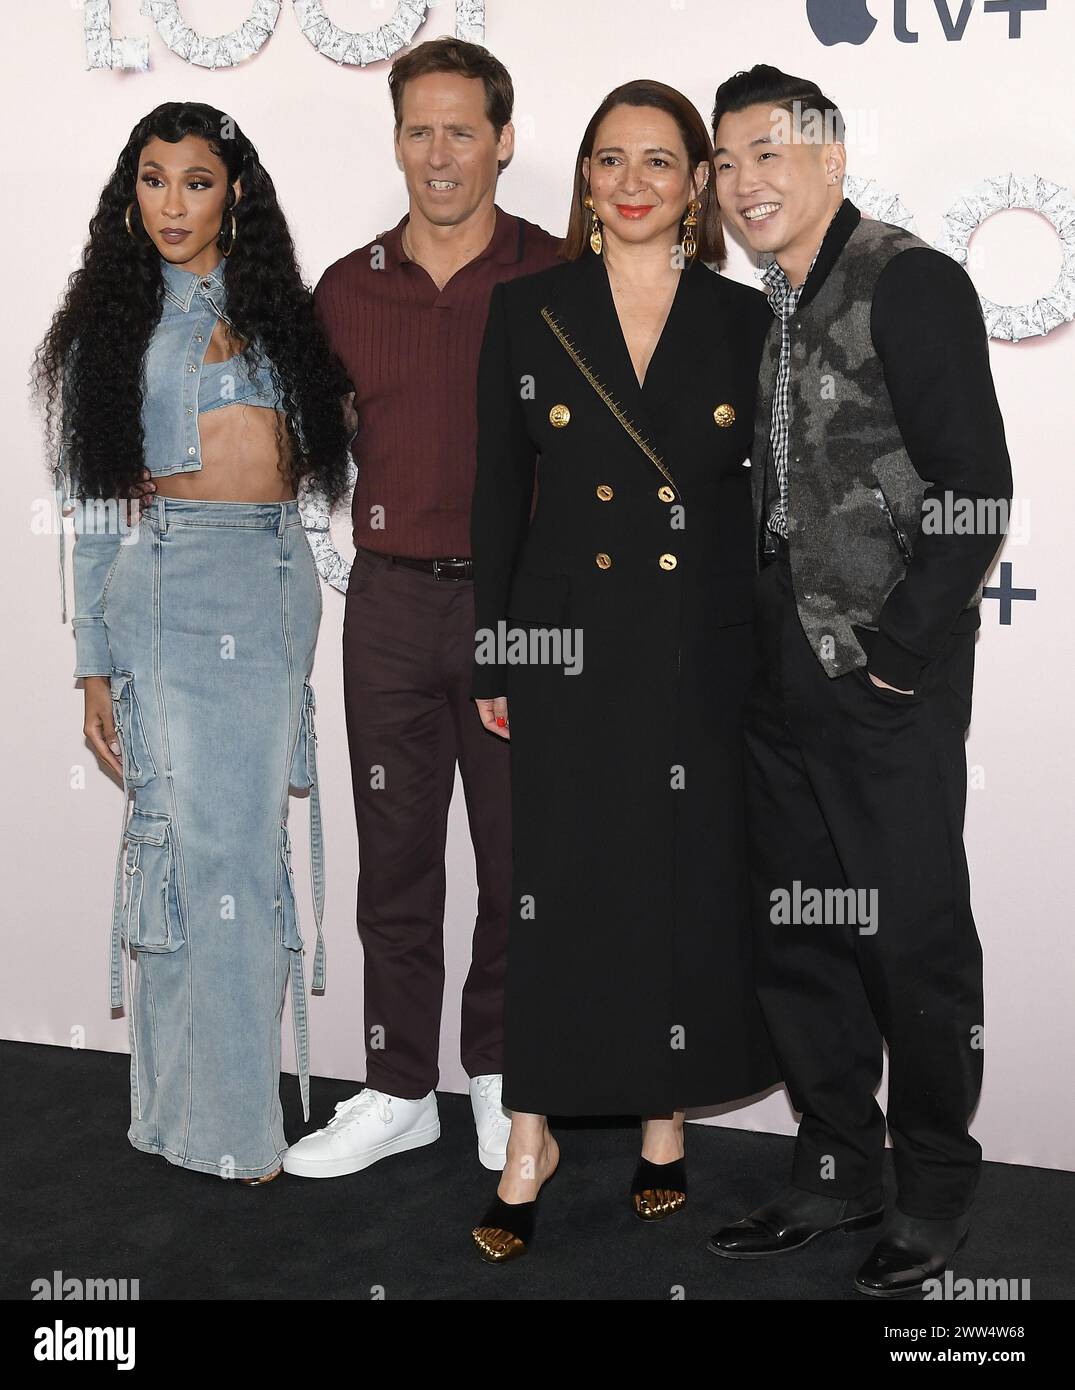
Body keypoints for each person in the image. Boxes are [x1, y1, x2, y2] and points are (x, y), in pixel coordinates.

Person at [706, 65, 1013, 1296]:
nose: (742, 182)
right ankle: (837, 1167)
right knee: (801, 934)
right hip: (774, 677)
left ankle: (935, 1183)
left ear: (830, 158)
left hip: (880, 676)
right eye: (724, 162)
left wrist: (898, 655)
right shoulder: (764, 304)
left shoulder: (909, 279)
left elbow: (974, 486)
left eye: (766, 153)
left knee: (910, 940)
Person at [467, 79, 781, 1262]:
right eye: (611, 160)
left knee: (672, 881)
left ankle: (662, 1126)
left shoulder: (742, 320)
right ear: (586, 180)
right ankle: (526, 1132)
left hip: (696, 643)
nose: (635, 182)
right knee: (557, 880)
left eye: (660, 160)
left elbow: (762, 507)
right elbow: (500, 490)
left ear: (697, 182)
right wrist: (496, 643)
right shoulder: (527, 309)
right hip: (567, 637)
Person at [35, 101, 355, 1183]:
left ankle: (197, 1112)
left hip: (269, 588)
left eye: (197, 180)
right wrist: (90, 664)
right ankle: (217, 1125)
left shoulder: (284, 314)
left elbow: (324, 452)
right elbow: (89, 507)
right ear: (130, 194)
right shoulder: (111, 324)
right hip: (166, 589)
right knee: (189, 856)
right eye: (154, 179)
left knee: (243, 856)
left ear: (236, 194)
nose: (173, 202)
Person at [282, 39, 560, 1181]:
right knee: (394, 863)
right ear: (395, 139)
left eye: (461, 130)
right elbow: (297, 446)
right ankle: (398, 1087)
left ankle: (499, 1079)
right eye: (417, 130)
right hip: (388, 605)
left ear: (502, 138)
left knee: (516, 862)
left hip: (520, 617)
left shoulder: (558, 275)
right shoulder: (346, 287)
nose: (437, 155)